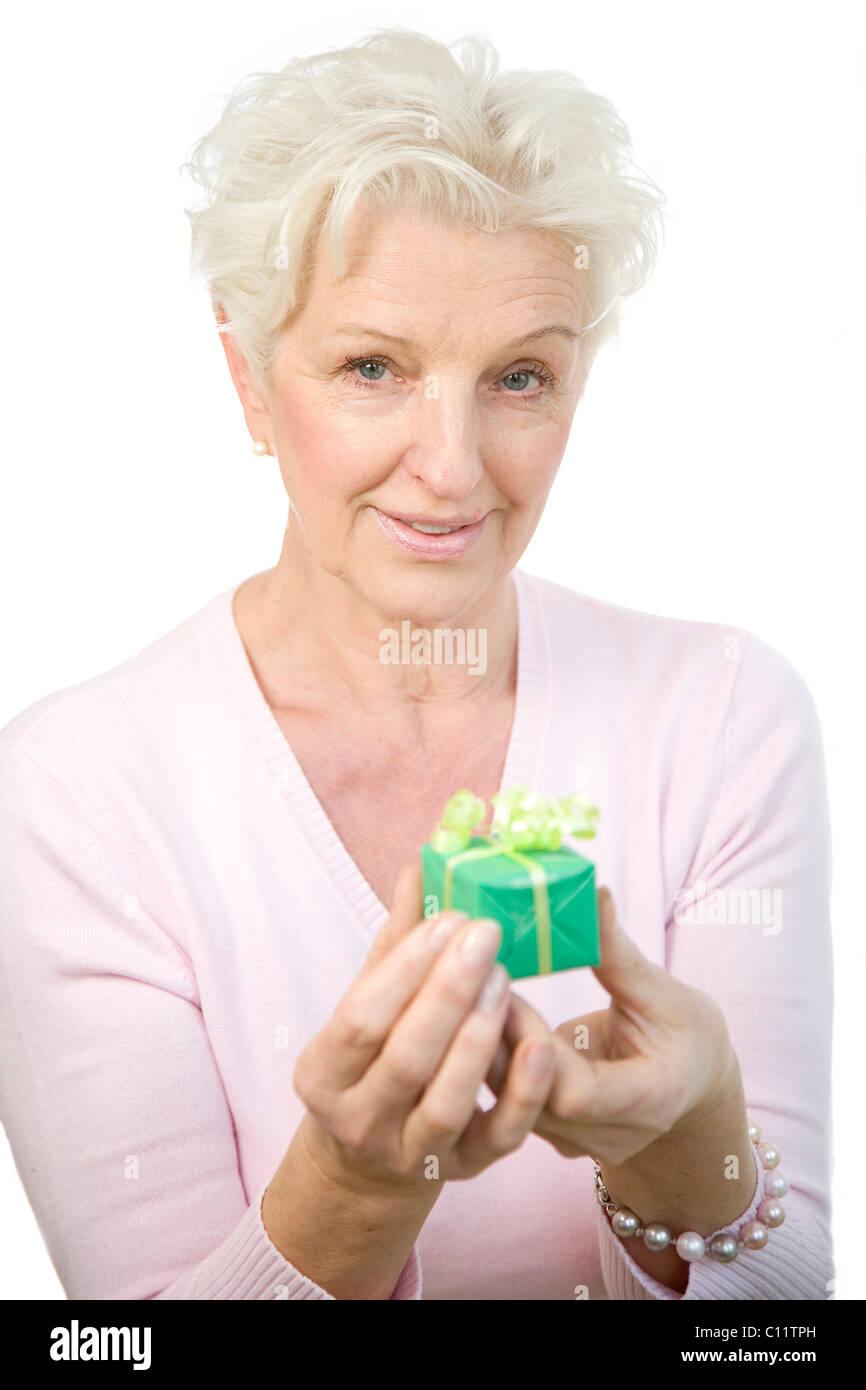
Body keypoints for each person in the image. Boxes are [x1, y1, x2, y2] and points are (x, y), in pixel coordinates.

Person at [0, 27, 833, 1300]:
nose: (449, 468)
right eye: (371, 367)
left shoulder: (722, 716)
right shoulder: (75, 795)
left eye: (517, 377)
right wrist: (350, 1193)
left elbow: (780, 1329)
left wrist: (694, 1141)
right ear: (248, 379)